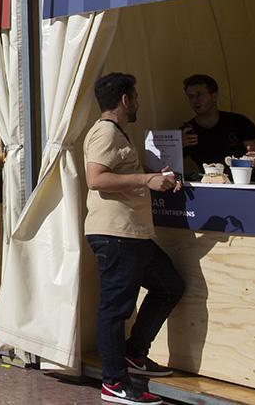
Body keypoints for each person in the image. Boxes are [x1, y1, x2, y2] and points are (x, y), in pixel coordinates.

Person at [85, 72, 185, 405]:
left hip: (133, 235)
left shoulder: (116, 133)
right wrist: (147, 179)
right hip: (116, 237)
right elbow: (95, 179)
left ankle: (134, 354)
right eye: (136, 96)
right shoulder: (105, 133)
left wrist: (158, 179)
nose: (138, 102)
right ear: (125, 99)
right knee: (115, 310)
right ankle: (113, 383)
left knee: (170, 285)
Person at [180, 73, 255, 182]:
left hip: (250, 186)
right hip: (215, 189)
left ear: (214, 96)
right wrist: (178, 146)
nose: (194, 100)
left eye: (199, 95)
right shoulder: (187, 131)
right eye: (191, 96)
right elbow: (169, 168)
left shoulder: (238, 121)